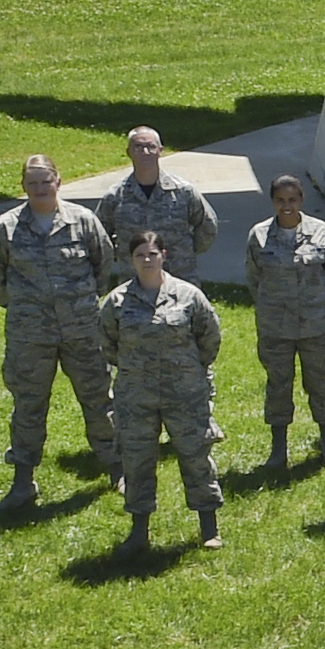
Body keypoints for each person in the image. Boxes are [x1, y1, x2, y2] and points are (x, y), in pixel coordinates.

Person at [0, 155, 115, 512]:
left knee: (99, 398)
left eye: (46, 181)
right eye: (33, 182)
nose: (40, 189)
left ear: (58, 180)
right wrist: (15, 302)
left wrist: (84, 301)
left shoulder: (83, 221)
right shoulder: (6, 227)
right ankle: (23, 481)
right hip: (30, 334)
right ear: (23, 186)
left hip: (82, 329)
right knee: (28, 406)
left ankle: (118, 468)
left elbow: (104, 264)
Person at [97, 231, 223, 552]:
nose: (147, 260)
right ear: (131, 260)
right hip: (136, 397)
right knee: (137, 462)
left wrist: (190, 371)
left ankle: (209, 528)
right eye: (140, 255)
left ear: (164, 254)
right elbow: (108, 344)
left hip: (186, 394)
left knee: (196, 457)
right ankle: (139, 532)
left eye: (153, 253)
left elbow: (209, 336)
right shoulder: (117, 302)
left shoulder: (188, 296)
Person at [245, 173, 325, 472]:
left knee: (321, 383)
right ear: (273, 202)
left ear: (301, 199)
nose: (287, 206)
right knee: (278, 385)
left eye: (293, 199)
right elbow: (253, 278)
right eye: (280, 200)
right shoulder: (260, 236)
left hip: (315, 324)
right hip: (276, 327)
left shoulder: (321, 231)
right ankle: (278, 450)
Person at [93, 126, 218, 283]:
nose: (145, 152)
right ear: (128, 152)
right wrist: (125, 256)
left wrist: (183, 253)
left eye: (150, 147)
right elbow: (99, 237)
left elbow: (207, 227)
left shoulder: (183, 191)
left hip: (180, 279)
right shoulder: (115, 197)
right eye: (138, 147)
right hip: (134, 283)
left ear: (160, 150)